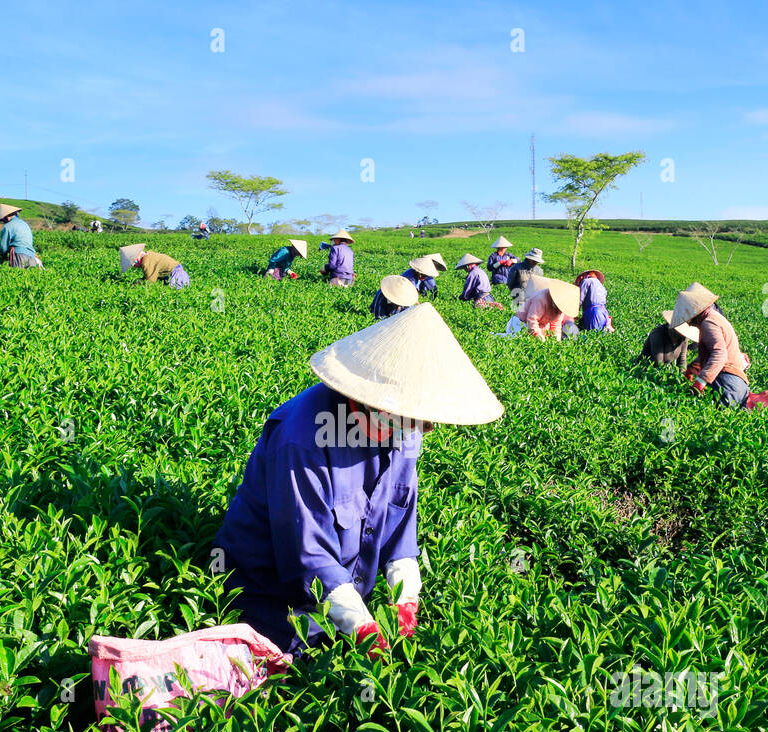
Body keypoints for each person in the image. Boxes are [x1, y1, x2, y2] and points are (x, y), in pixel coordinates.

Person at [212, 302, 504, 658]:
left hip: (343, 602)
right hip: (273, 602)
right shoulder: (303, 439)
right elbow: (310, 559)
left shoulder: (405, 429)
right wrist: (364, 629)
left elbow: (400, 530)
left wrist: (405, 599)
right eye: (408, 419)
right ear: (367, 402)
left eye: (422, 422)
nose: (417, 431)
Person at [669, 283, 768, 410]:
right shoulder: (716, 318)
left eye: (691, 320)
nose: (692, 324)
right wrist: (692, 369)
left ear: (695, 314)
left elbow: (720, 354)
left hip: (727, 384)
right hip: (738, 385)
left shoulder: (708, 323)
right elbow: (711, 353)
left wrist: (701, 381)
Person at [517, 276, 581, 340]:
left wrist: (556, 341)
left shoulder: (561, 308)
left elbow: (556, 325)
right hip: (521, 324)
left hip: (540, 327)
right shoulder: (541, 298)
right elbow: (532, 320)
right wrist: (539, 337)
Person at [120, 244, 190, 287]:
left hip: (177, 275)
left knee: (176, 297)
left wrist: (137, 287)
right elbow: (149, 275)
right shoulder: (149, 256)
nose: (136, 267)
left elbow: (150, 281)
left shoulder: (146, 262)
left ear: (137, 259)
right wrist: (139, 281)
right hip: (174, 274)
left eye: (134, 265)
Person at [0, 204, 43, 268]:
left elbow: (3, 246)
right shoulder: (25, 224)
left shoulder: (8, 226)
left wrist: (3, 257)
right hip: (32, 256)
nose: (3, 222)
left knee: (18, 275)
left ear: (7, 216)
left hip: (19, 255)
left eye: (3, 220)